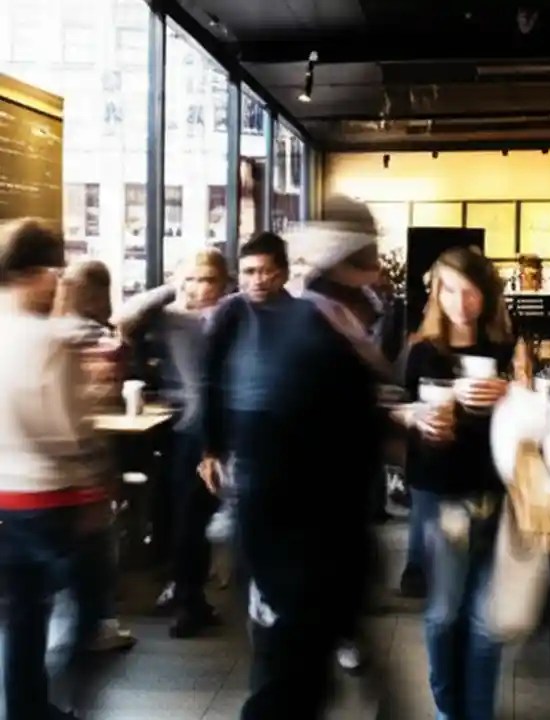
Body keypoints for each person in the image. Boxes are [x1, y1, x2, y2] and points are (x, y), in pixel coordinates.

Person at [201, 231, 380, 718]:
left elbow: (352, 414)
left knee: (291, 644)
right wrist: (212, 447)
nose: (258, 280)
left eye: (266, 271)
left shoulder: (315, 322)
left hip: (296, 492)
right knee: (288, 642)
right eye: (249, 271)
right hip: (270, 484)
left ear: (284, 272)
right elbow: (211, 381)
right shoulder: (233, 316)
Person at [0, 219, 111, 719]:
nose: (58, 282)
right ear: (34, 271)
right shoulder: (46, 341)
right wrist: (93, 489)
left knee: (22, 613)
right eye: (53, 271)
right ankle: (74, 688)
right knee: (89, 595)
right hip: (53, 494)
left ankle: (25, 708)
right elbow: (67, 426)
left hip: (5, 497)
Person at [402, 246, 515, 720]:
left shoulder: (506, 348)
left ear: (486, 295)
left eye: (469, 291)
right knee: (445, 613)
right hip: (439, 491)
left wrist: (512, 393)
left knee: (487, 620)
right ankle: (450, 710)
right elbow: (395, 409)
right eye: (447, 289)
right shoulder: (423, 351)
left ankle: (478, 713)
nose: (459, 301)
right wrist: (417, 416)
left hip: (497, 487)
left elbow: (534, 411)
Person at [287, 195, 393, 674]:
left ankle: (341, 627)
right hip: (321, 451)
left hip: (348, 452)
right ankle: (336, 629)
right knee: (334, 547)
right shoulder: (312, 306)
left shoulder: (359, 303)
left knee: (347, 546)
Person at [115, 249, 230, 637]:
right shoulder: (169, 317)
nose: (200, 287)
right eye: (192, 279)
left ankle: (191, 596)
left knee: (206, 516)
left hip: (230, 426)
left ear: (224, 282)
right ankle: (187, 597)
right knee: (187, 518)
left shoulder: (233, 313)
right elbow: (123, 318)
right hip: (186, 429)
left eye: (208, 279)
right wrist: (171, 286)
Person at [51, 260, 137, 654]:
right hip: (81, 453)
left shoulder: (40, 332)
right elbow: (98, 400)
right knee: (93, 542)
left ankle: (73, 621)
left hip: (41, 464)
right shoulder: (96, 337)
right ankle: (94, 624)